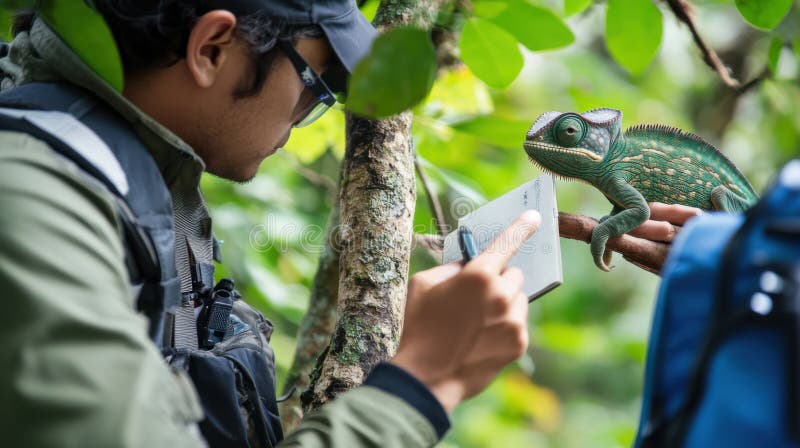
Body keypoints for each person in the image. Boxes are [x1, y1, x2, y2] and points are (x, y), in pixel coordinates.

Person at [0, 1, 697, 446]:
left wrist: (468, 255)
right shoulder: (27, 202)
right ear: (212, 47)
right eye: (319, 86)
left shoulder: (121, 174)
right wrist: (420, 386)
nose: (318, 113)